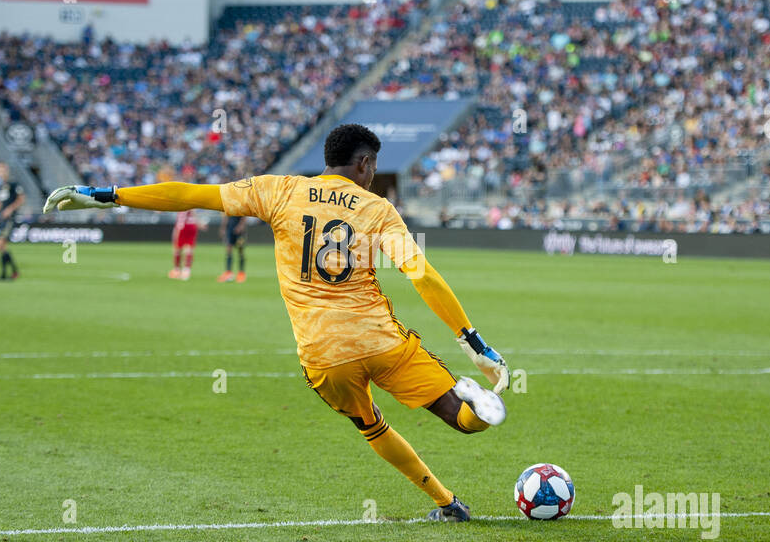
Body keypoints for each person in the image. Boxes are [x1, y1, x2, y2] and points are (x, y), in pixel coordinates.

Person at [44, 124, 510, 520]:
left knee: (371, 425)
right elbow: (421, 274)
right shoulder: (377, 210)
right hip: (381, 339)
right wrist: (471, 338)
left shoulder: (280, 189)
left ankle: (446, 503)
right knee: (463, 422)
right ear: (365, 164)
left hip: (324, 355)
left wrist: (109, 195)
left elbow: (190, 195)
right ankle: (477, 407)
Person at [169, 209, 199, 279]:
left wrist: (178, 230)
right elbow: (193, 213)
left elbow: (181, 216)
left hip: (183, 226)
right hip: (192, 225)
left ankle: (177, 270)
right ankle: (186, 271)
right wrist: (198, 223)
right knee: (189, 249)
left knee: (177, 248)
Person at [217, 214, 247, 283]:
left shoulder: (240, 204)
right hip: (230, 228)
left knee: (240, 251)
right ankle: (228, 272)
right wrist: (223, 228)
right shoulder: (228, 204)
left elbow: (244, 215)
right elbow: (225, 215)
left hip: (239, 231)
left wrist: (241, 226)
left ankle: (241, 273)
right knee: (228, 250)